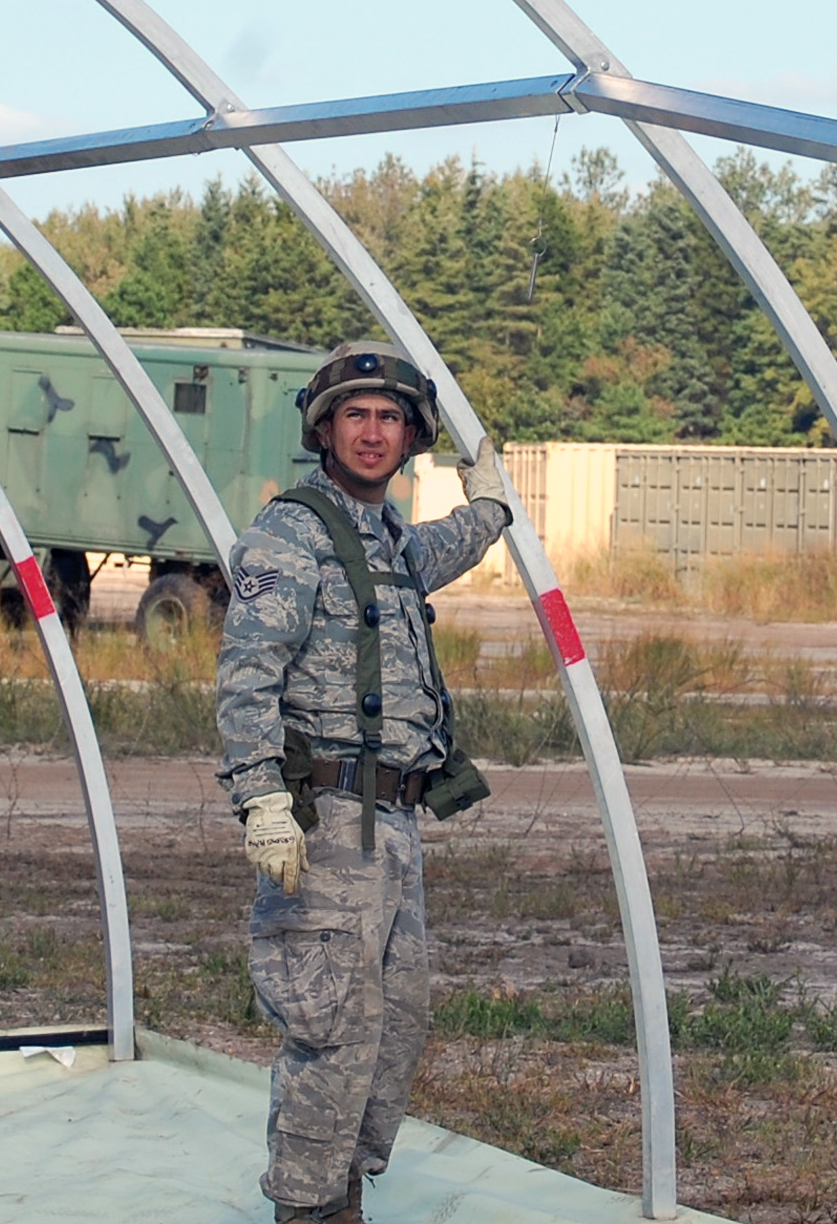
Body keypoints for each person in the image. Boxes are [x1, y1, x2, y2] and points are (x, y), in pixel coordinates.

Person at [216, 341, 514, 1222]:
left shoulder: (389, 543)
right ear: (324, 429)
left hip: (396, 825)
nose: (374, 431)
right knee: (332, 1026)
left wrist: (491, 497)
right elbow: (247, 673)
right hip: (328, 825)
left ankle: (341, 1193)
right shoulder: (292, 536)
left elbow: (451, 541)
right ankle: (306, 1209)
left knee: (393, 1028)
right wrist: (262, 797)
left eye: (391, 417)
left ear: (412, 433)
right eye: (356, 414)